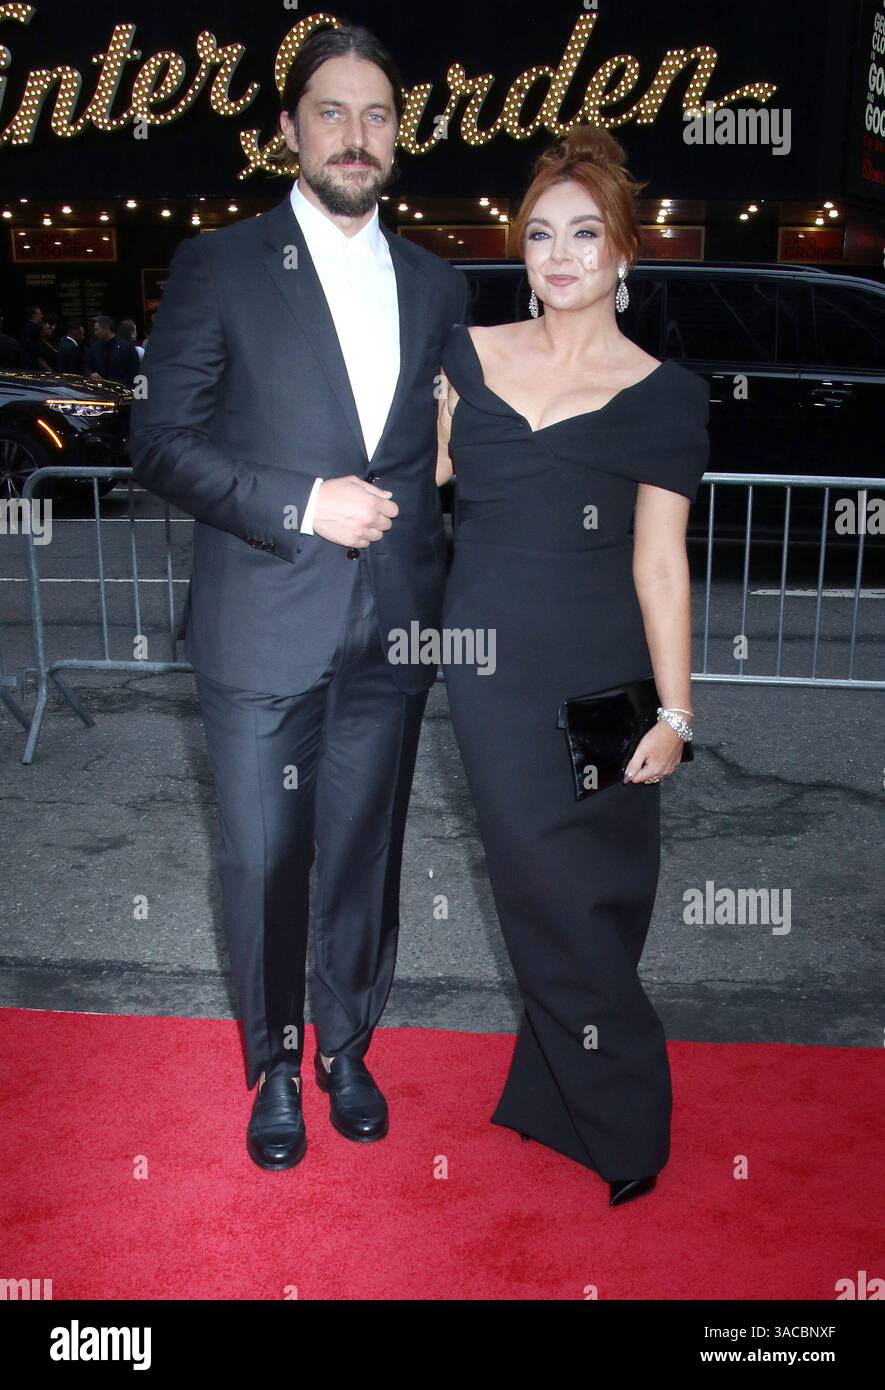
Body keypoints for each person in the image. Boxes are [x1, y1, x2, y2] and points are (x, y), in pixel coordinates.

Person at [130, 23, 469, 1172]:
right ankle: (276, 1064)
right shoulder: (221, 267)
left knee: (366, 848)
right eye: (333, 111)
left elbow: (437, 445)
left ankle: (347, 1045)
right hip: (263, 627)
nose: (356, 134)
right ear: (289, 129)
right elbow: (160, 446)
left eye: (377, 114)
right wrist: (299, 503)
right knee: (268, 858)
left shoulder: (435, 282)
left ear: (396, 136)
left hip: (392, 627)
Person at [436, 127, 709, 1207]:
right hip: (491, 678)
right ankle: (627, 1113)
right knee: (540, 888)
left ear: (625, 254)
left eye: (583, 234)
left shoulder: (664, 394)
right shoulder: (470, 356)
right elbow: (418, 474)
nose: (558, 254)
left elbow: (660, 567)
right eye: (540, 233)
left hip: (606, 679)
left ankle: (558, 1093)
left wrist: (678, 714)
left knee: (597, 891)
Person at [87, 315, 139, 387]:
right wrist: (91, 374)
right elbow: (87, 367)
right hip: (99, 391)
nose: (95, 333)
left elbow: (134, 372)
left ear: (106, 329)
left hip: (121, 391)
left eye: (97, 329)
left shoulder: (127, 347)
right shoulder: (95, 347)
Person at [20, 306, 51, 371]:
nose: (42, 316)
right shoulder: (34, 329)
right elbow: (37, 353)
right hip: (34, 367)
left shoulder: (25, 328)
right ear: (33, 315)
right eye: (40, 314)